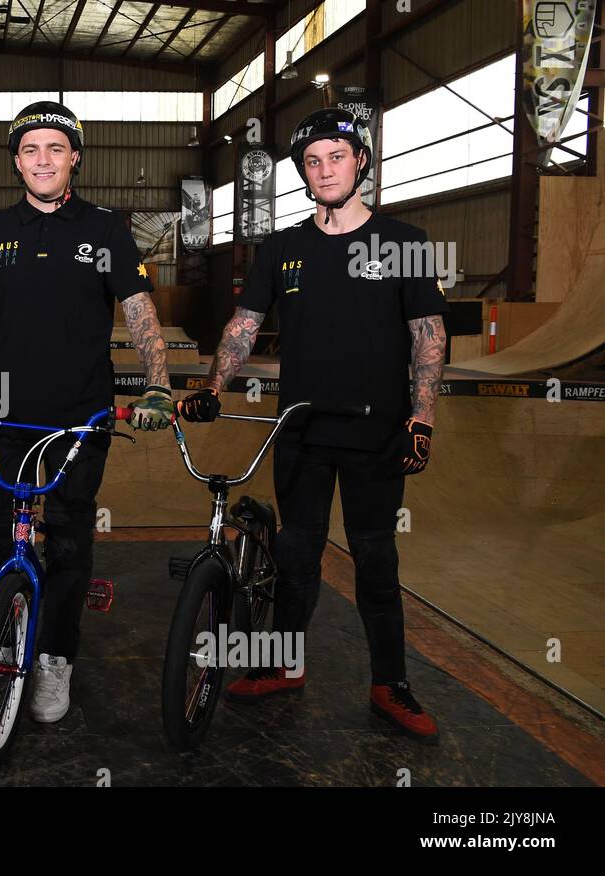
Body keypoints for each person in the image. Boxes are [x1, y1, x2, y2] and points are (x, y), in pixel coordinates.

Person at [181, 107, 448, 743]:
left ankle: (391, 684)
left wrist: (423, 417)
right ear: (303, 172)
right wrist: (213, 385)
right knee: (297, 556)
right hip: (299, 429)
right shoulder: (283, 248)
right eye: (312, 161)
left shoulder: (404, 243)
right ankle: (283, 665)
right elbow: (243, 324)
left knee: (376, 562)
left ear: (360, 163)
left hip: (377, 434)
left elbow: (427, 333)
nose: (324, 170)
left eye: (337, 157)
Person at [0, 101, 172, 723]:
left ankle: (55, 661)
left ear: (74, 159)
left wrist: (157, 386)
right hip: (6, 413)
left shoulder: (107, 228)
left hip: (80, 414)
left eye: (55, 149)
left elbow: (139, 309)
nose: (43, 159)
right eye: (31, 150)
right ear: (17, 162)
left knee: (67, 537)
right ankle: (0, 648)